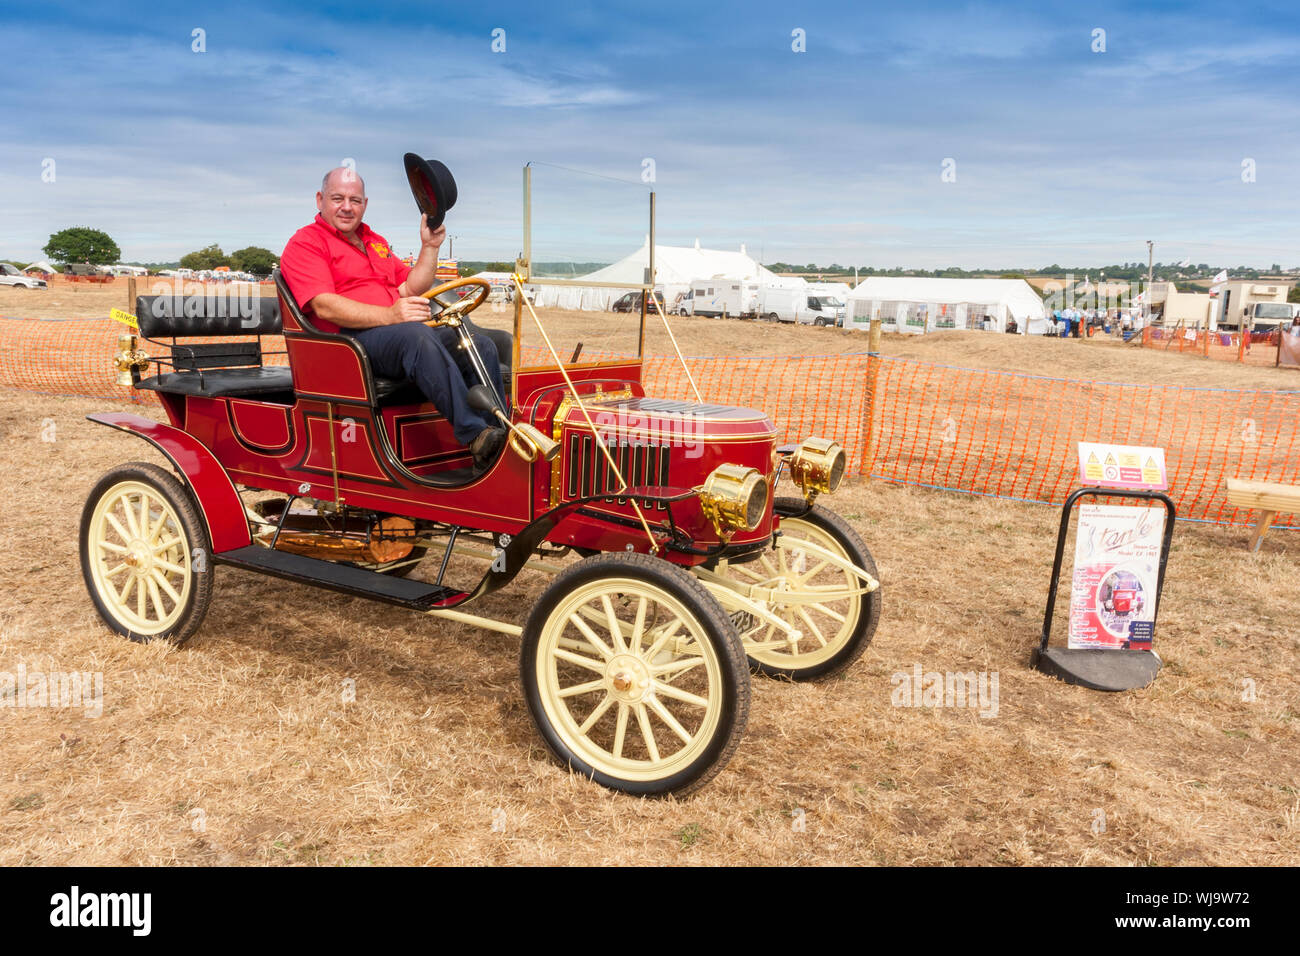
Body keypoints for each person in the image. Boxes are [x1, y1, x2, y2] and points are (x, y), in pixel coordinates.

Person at [280, 167, 506, 466]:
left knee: (478, 344)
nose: (347, 207)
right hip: (348, 344)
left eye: (355, 200)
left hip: (394, 334)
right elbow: (324, 306)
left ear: (365, 203)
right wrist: (390, 315)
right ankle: (474, 433)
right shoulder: (306, 243)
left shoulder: (375, 241)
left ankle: (500, 436)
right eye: (338, 198)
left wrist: (429, 247)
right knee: (417, 336)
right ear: (320, 199)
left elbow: (412, 285)